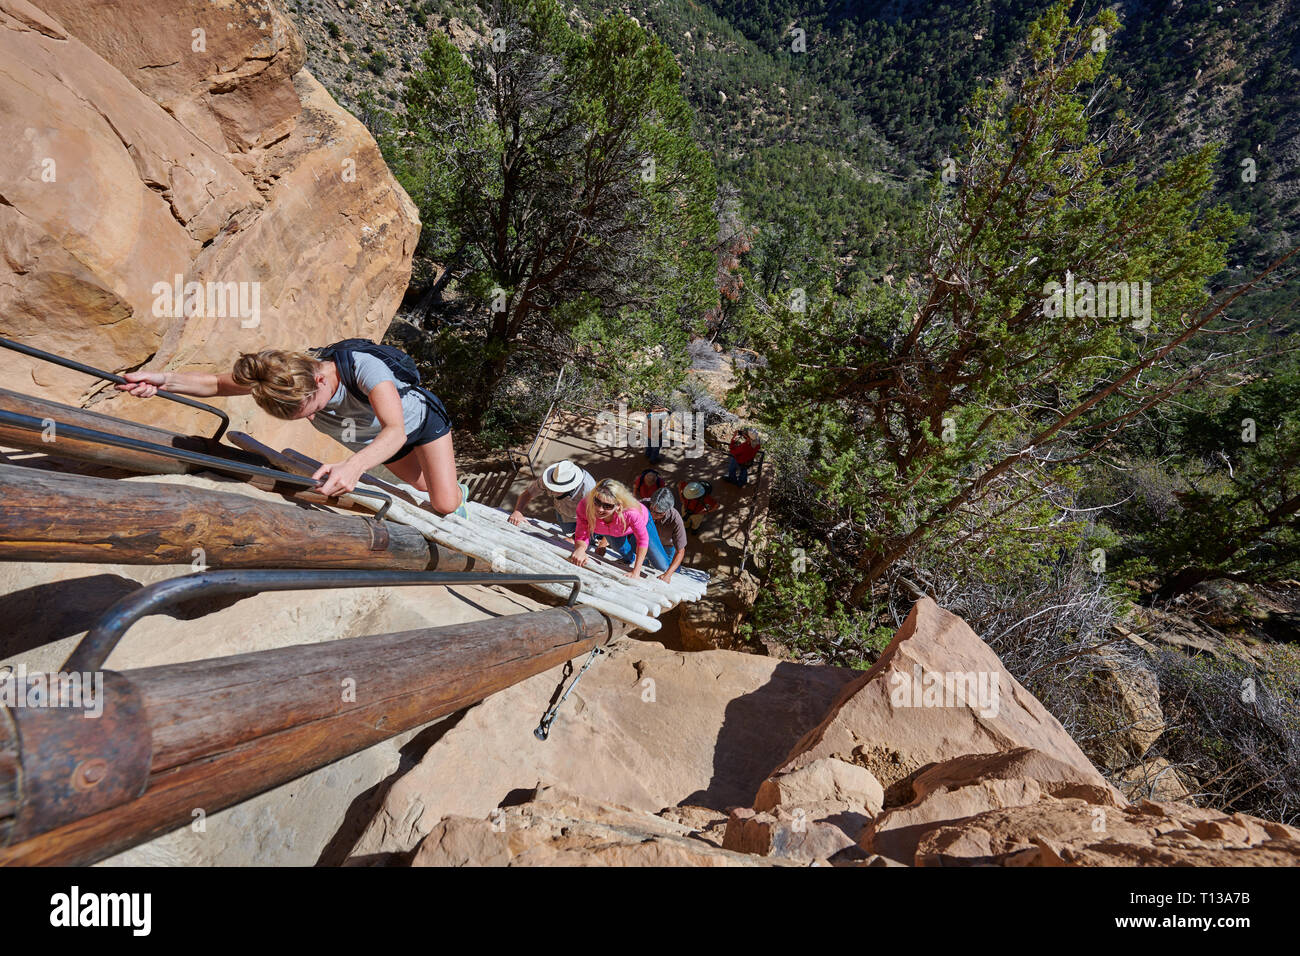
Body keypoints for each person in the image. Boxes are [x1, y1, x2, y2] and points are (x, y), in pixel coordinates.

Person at [117, 339, 467, 515]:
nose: (307, 417)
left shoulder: (364, 368)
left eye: (307, 410)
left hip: (417, 424)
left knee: (445, 504)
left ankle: (455, 490)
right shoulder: (279, 377)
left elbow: (396, 431)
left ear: (319, 380)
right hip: (372, 436)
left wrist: (355, 466)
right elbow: (215, 384)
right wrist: (162, 380)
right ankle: (444, 480)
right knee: (420, 484)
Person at [569, 478, 671, 577]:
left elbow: (643, 540)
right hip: (615, 529)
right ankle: (631, 559)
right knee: (621, 549)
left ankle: (676, 569)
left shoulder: (632, 513)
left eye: (607, 506)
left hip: (641, 521)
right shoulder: (585, 506)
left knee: (662, 565)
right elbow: (582, 533)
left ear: (618, 506)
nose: (599, 509)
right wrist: (580, 549)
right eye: (597, 502)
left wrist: (636, 571)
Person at [508, 459, 595, 535]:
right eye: (552, 486)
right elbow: (528, 493)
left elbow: (595, 517)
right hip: (562, 513)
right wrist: (517, 511)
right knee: (566, 530)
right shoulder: (550, 476)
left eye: (558, 488)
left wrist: (575, 537)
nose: (551, 492)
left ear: (571, 486)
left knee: (588, 539)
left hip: (585, 517)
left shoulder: (588, 490)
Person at [644, 487, 687, 582]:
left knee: (668, 569)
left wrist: (668, 574)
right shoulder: (643, 505)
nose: (653, 515)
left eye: (658, 513)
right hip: (644, 542)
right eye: (651, 509)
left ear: (667, 510)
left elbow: (680, 551)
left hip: (666, 546)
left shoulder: (675, 519)